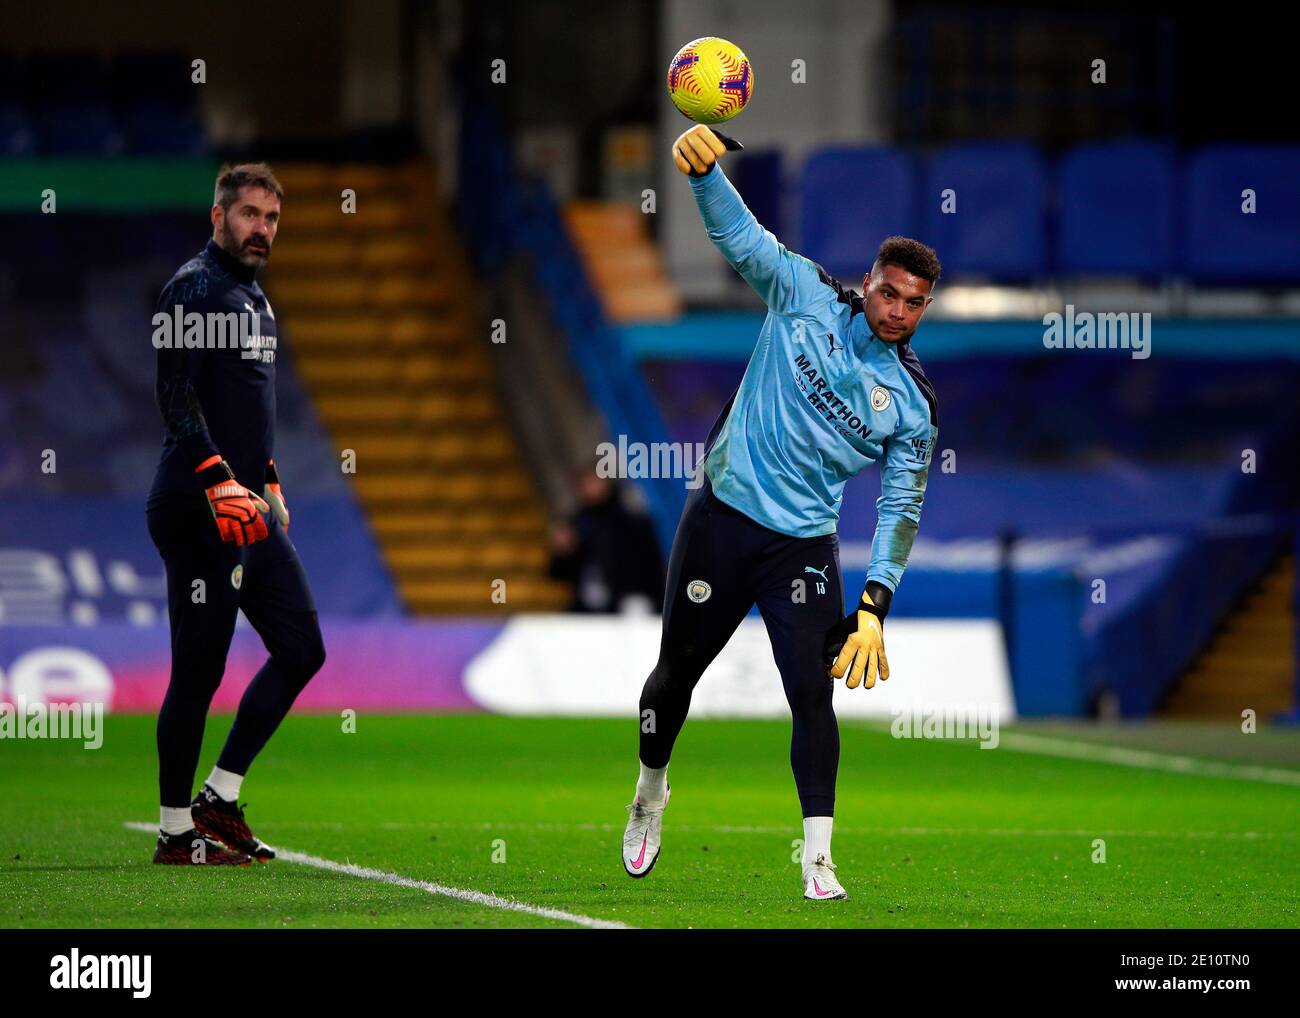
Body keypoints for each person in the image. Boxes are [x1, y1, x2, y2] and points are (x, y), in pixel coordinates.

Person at [621, 125, 940, 901]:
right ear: (869, 281)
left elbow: (902, 509)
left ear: (926, 308)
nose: (897, 310)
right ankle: (650, 792)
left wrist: (874, 608)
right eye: (889, 292)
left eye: (915, 303)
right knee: (674, 679)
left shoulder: (912, 406)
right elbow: (741, 237)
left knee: (811, 693)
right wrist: (703, 176)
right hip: (722, 520)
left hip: (801, 547)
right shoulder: (802, 293)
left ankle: (818, 857)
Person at [146, 163, 325, 865]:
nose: (262, 230)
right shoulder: (193, 287)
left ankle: (217, 799)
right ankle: (172, 831)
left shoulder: (255, 297)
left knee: (302, 647)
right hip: (196, 502)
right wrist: (219, 477)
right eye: (250, 215)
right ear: (217, 217)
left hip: (249, 507)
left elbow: (245, 406)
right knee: (199, 671)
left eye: (273, 219)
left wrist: (268, 475)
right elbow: (175, 393)